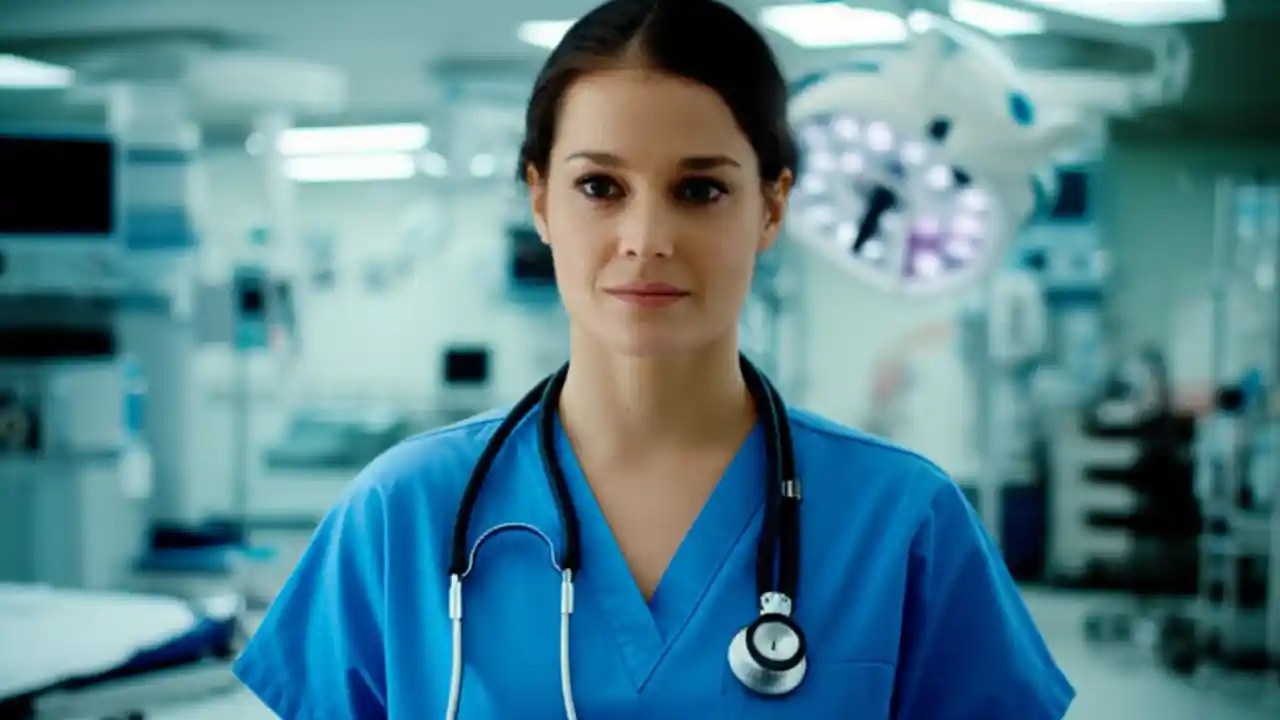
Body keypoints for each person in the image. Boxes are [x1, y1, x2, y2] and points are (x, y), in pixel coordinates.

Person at [232, 0, 1076, 717]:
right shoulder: (403, 513)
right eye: (600, 187)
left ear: (772, 206)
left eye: (700, 190)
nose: (646, 241)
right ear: (540, 199)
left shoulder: (899, 523)